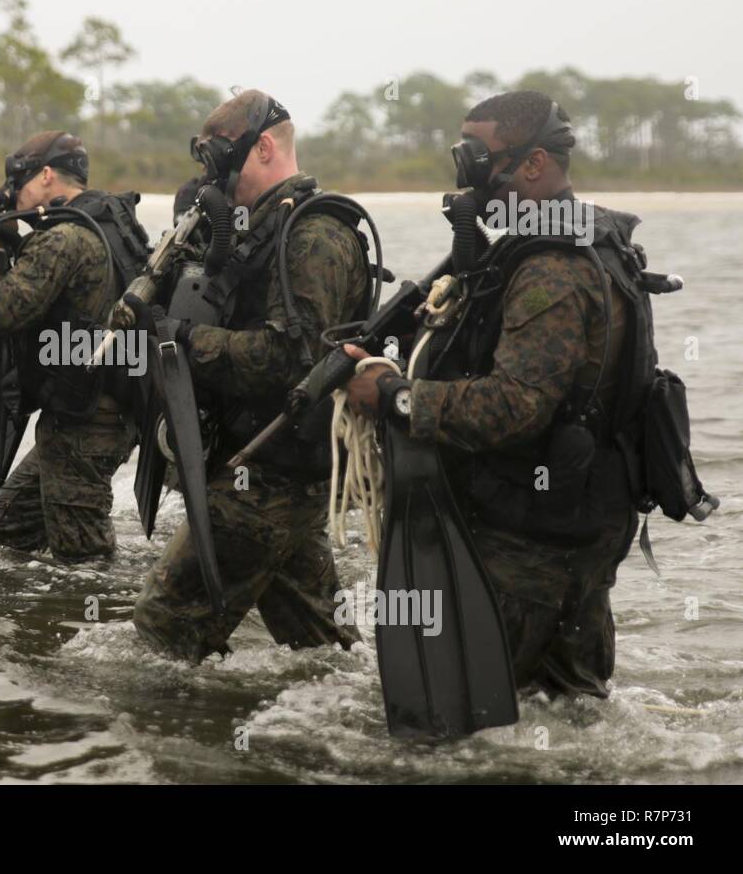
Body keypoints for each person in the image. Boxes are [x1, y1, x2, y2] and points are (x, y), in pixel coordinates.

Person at [345, 90, 645, 698]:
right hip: (575, 525)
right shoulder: (565, 243)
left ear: (533, 164)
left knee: (466, 726)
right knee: (568, 713)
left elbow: (516, 405)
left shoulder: (551, 267)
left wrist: (396, 396)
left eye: (478, 160)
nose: (468, 176)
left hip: (532, 540)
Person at [133, 90, 369, 661]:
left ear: (264, 147)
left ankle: (172, 745)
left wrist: (181, 337)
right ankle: (369, 732)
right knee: (321, 648)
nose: (213, 178)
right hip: (271, 469)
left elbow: (291, 362)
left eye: (220, 161)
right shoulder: (259, 230)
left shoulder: (312, 237)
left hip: (270, 476)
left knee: (163, 630)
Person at [0, 131, 145, 562]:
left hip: (85, 422)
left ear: (47, 175)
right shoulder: (115, 222)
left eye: (21, 183)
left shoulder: (64, 236)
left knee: (83, 561)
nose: (14, 195)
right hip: (115, 409)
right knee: (9, 527)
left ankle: (107, 622)